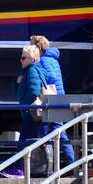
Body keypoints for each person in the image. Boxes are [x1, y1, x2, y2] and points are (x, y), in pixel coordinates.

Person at [32, 36, 76, 169]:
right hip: (58, 98)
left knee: (41, 134)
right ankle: (73, 165)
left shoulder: (43, 61)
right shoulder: (53, 60)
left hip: (50, 100)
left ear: (38, 47)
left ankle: (35, 167)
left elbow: (46, 80)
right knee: (61, 133)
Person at [5, 44, 46, 177]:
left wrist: (27, 104)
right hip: (32, 113)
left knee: (24, 142)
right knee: (28, 141)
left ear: (32, 58)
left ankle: (19, 170)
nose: (21, 60)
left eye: (23, 57)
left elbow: (34, 92)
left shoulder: (32, 71)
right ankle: (21, 169)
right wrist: (18, 84)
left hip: (31, 113)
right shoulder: (31, 71)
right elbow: (21, 94)